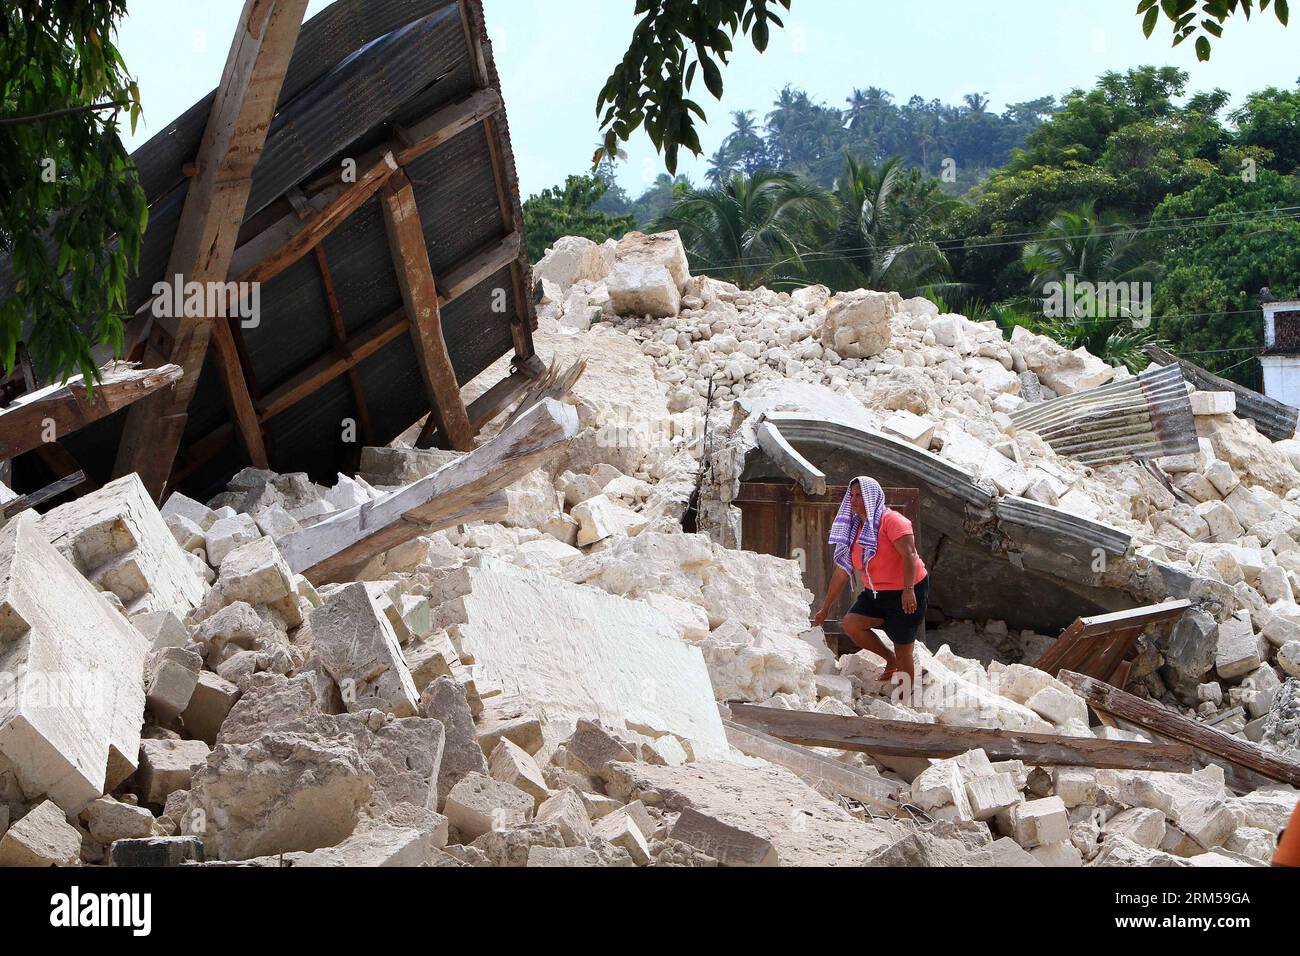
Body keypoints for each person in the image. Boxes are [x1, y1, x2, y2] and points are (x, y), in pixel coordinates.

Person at [813, 476, 929, 705]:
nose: (854, 500)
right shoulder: (854, 529)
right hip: (875, 592)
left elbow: (909, 555)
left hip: (907, 589)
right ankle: (890, 659)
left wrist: (908, 590)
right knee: (851, 624)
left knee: (904, 645)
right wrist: (825, 608)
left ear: (872, 497)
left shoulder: (893, 521)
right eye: (852, 495)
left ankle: (903, 703)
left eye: (860, 495)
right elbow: (842, 572)